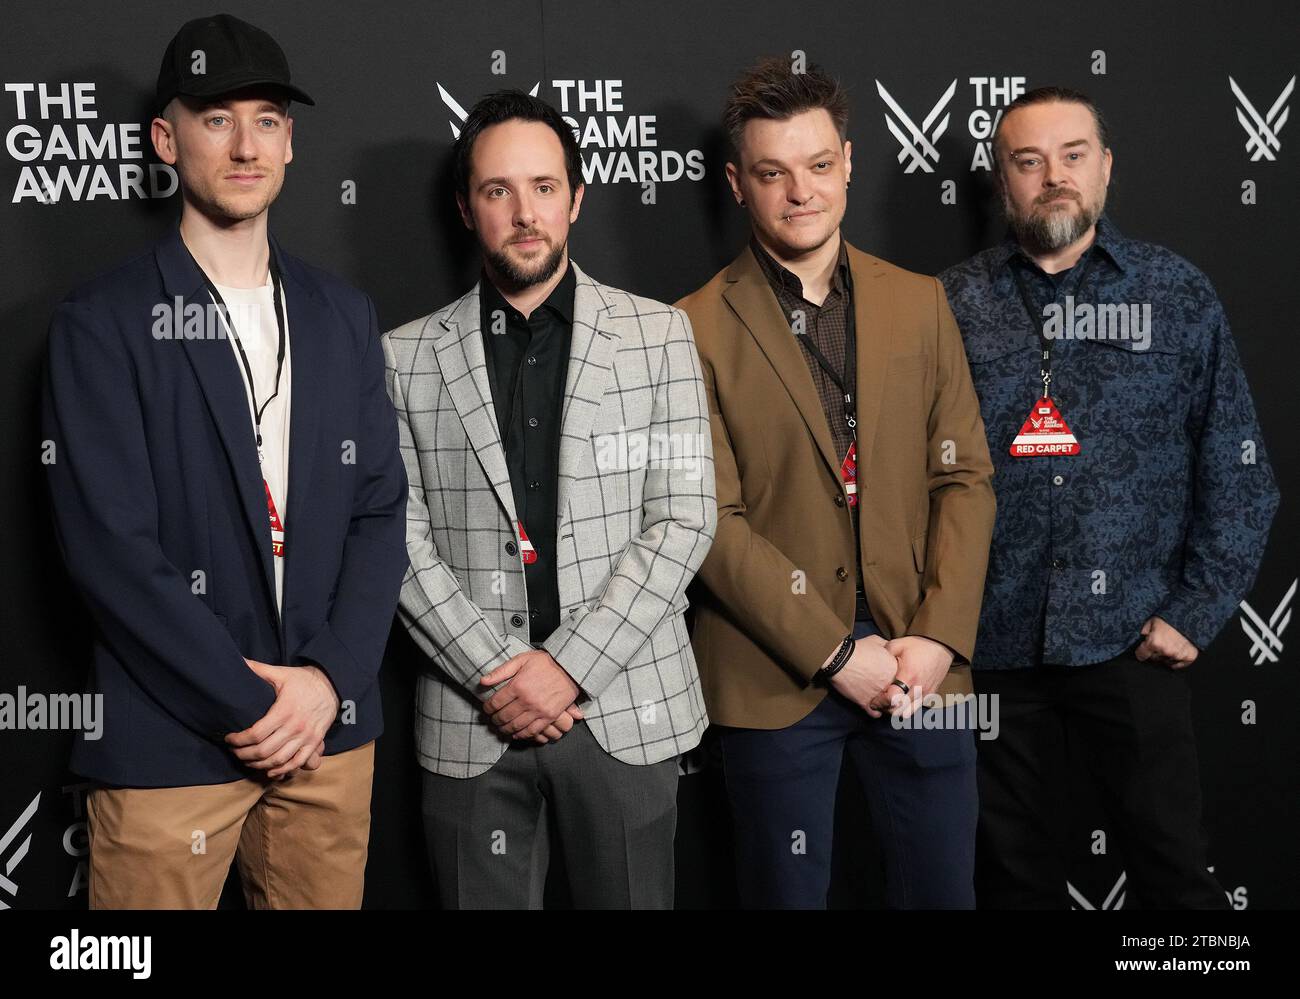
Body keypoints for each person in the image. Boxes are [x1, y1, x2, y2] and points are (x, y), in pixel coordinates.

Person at [41, 13, 408, 909]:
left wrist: (326, 682)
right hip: (172, 745)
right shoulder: (104, 321)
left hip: (327, 739)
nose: (246, 144)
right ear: (165, 138)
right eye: (215, 118)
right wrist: (249, 705)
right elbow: (111, 551)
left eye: (268, 119)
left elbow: (380, 512)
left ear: (290, 140)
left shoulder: (341, 314)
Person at [939, 86, 1280, 908]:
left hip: (1133, 642)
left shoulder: (1176, 295)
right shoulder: (948, 304)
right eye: (1028, 160)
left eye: (1073, 155)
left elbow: (1240, 471)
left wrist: (1195, 610)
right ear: (1001, 181)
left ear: (1106, 169)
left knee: (1172, 874)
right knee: (1008, 881)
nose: (1052, 176)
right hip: (991, 652)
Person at [676, 57, 996, 909]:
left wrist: (937, 637)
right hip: (774, 672)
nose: (801, 192)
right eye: (773, 173)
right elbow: (710, 518)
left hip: (922, 661)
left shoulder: (921, 302)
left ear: (849, 163)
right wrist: (833, 651)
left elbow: (964, 477)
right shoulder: (688, 327)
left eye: (819, 166)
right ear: (737, 184)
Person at [385, 90, 716, 909]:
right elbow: (396, 537)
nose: (524, 211)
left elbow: (682, 517)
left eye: (542, 186)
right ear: (466, 208)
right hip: (473, 718)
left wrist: (567, 668)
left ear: (575, 197)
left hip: (626, 706)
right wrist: (501, 675)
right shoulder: (403, 356)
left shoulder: (658, 334)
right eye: (499, 190)